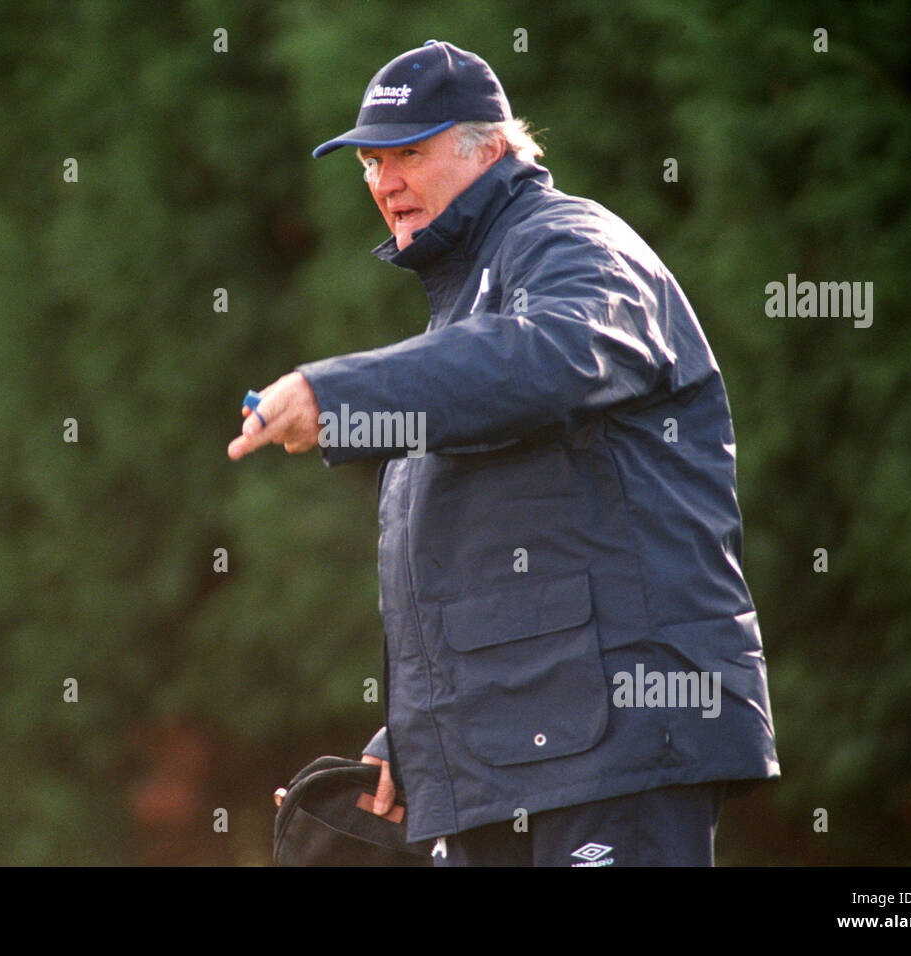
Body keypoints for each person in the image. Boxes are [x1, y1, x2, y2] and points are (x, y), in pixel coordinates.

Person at [228, 40, 779, 866]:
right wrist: (415, 736)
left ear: (490, 146)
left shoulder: (576, 243)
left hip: (620, 748)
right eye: (371, 163)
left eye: (408, 153)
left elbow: (555, 354)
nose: (385, 183)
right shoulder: (464, 304)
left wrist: (337, 398)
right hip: (529, 758)